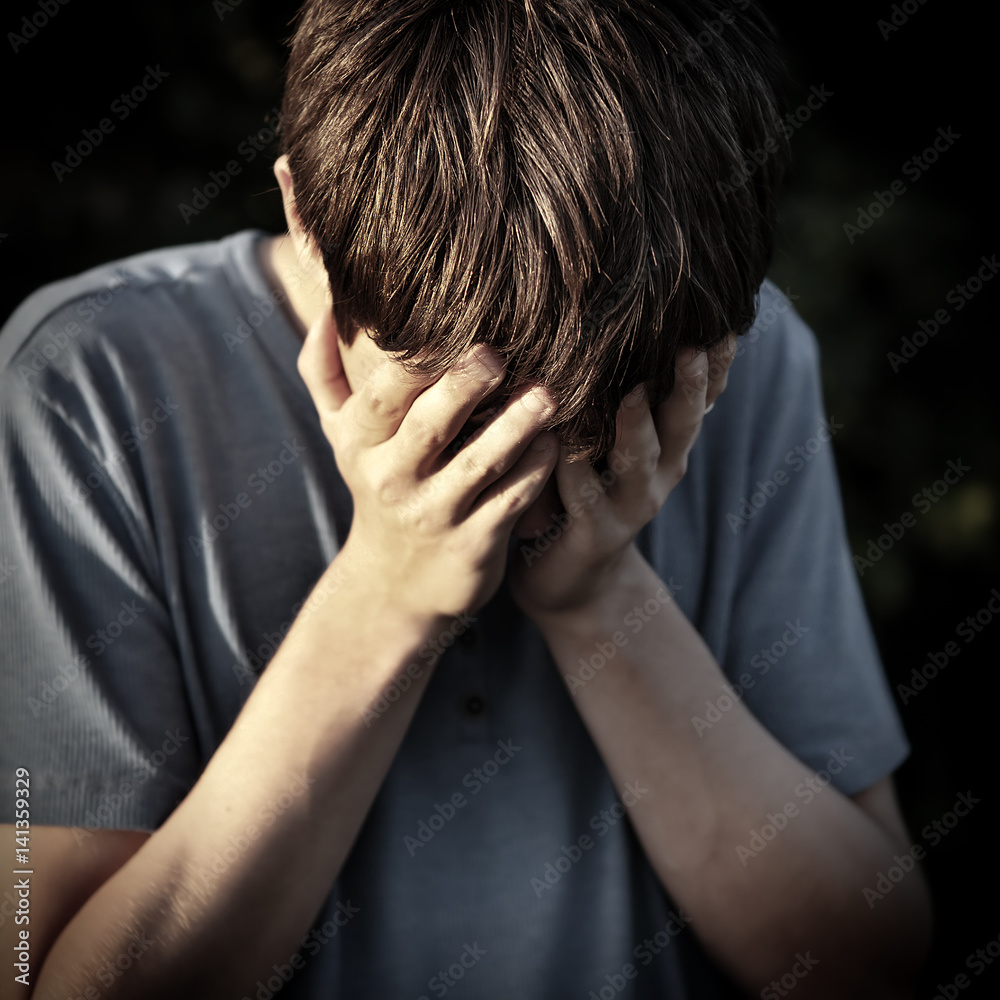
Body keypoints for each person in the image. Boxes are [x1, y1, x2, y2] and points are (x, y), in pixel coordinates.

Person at [0, 1, 931, 997]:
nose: (520, 474)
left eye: (596, 422)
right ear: (306, 218)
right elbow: (37, 968)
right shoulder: (82, 386)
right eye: (465, 408)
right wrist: (385, 594)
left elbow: (869, 963)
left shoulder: (735, 358)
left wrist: (600, 602)